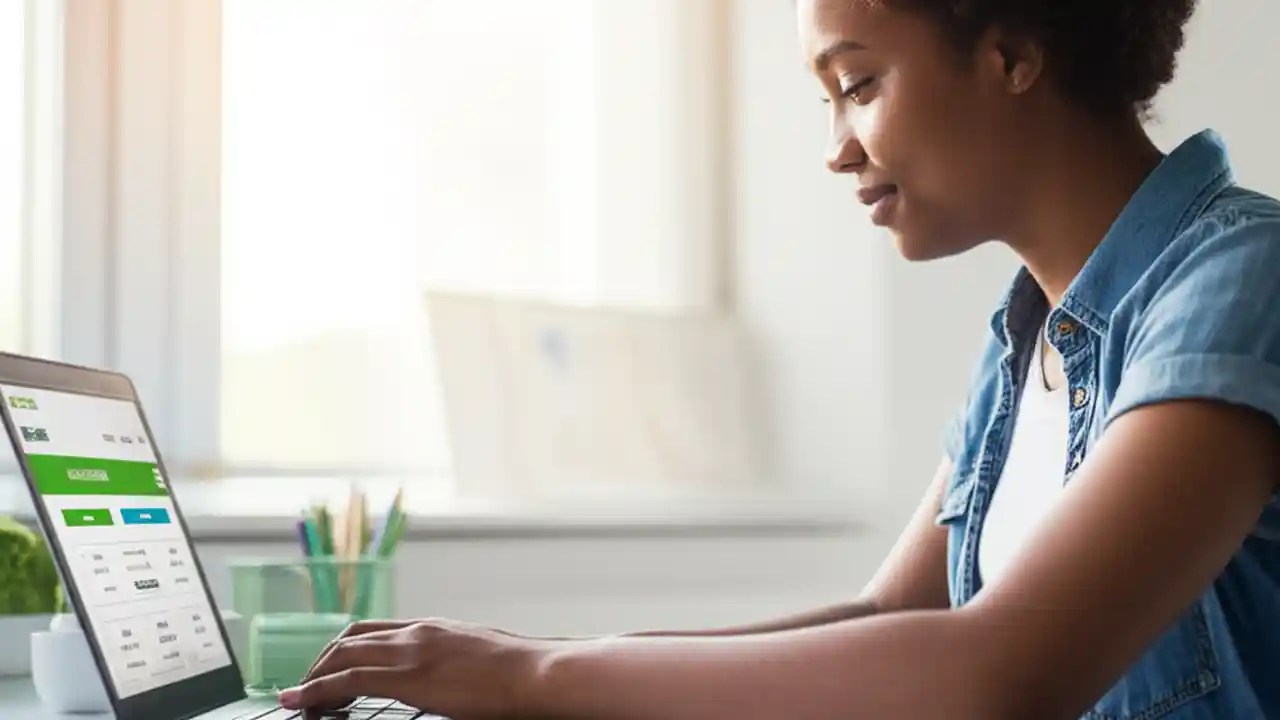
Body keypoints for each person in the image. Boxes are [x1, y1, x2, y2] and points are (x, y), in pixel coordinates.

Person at [280, 1, 1280, 717]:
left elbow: (995, 675)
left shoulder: (1241, 275)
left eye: (857, 85)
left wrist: (535, 682)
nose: (836, 148)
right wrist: (537, 659)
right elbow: (885, 612)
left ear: (1012, 52)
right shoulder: (1026, 337)